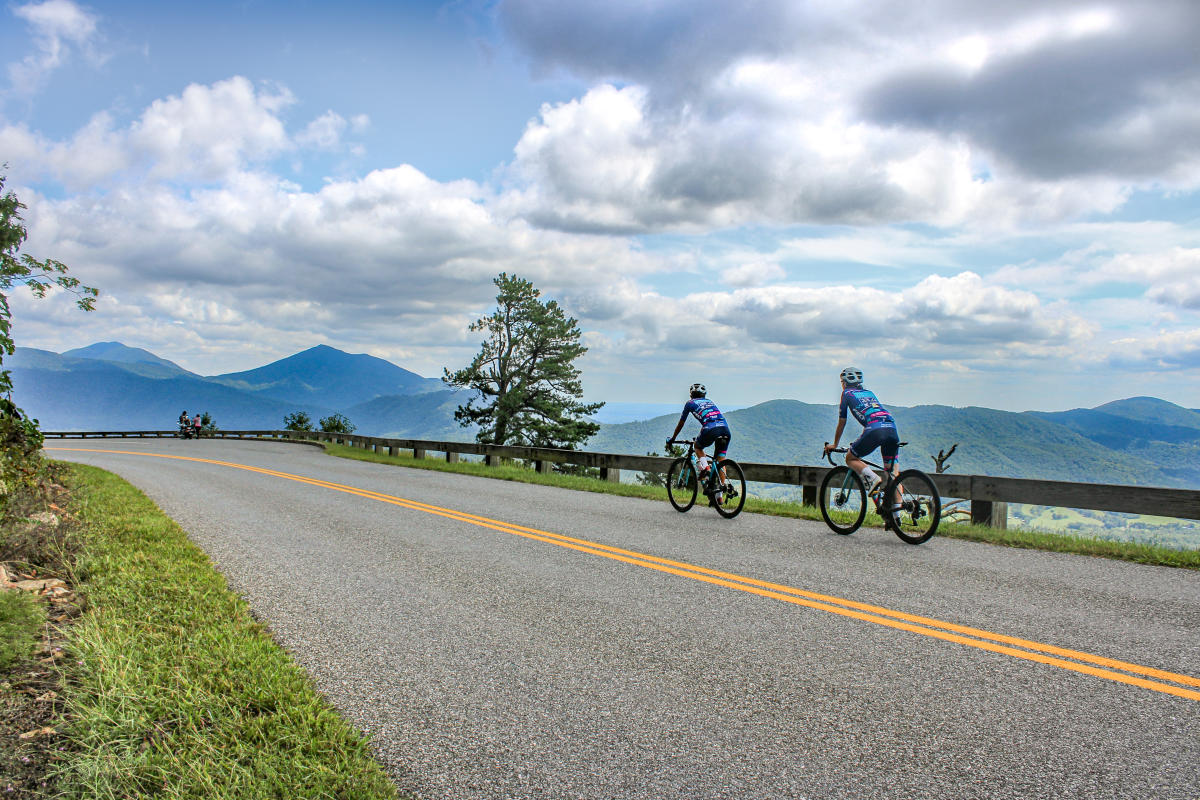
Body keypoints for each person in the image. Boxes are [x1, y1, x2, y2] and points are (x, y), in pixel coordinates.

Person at [823, 367, 902, 518]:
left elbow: (842, 422)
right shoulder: (869, 393)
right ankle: (896, 517)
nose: (841, 384)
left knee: (850, 458)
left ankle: (873, 479)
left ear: (845, 382)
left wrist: (834, 444)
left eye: (841, 381)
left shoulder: (846, 393)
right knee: (893, 475)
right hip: (891, 428)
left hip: (874, 430)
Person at [668, 383, 734, 503]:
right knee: (720, 460)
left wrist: (673, 438)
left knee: (697, 446)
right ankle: (719, 497)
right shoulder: (709, 401)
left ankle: (706, 468)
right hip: (725, 429)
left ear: (691, 395)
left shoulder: (690, 403)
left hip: (710, 429)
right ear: (704, 394)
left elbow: (681, 423)